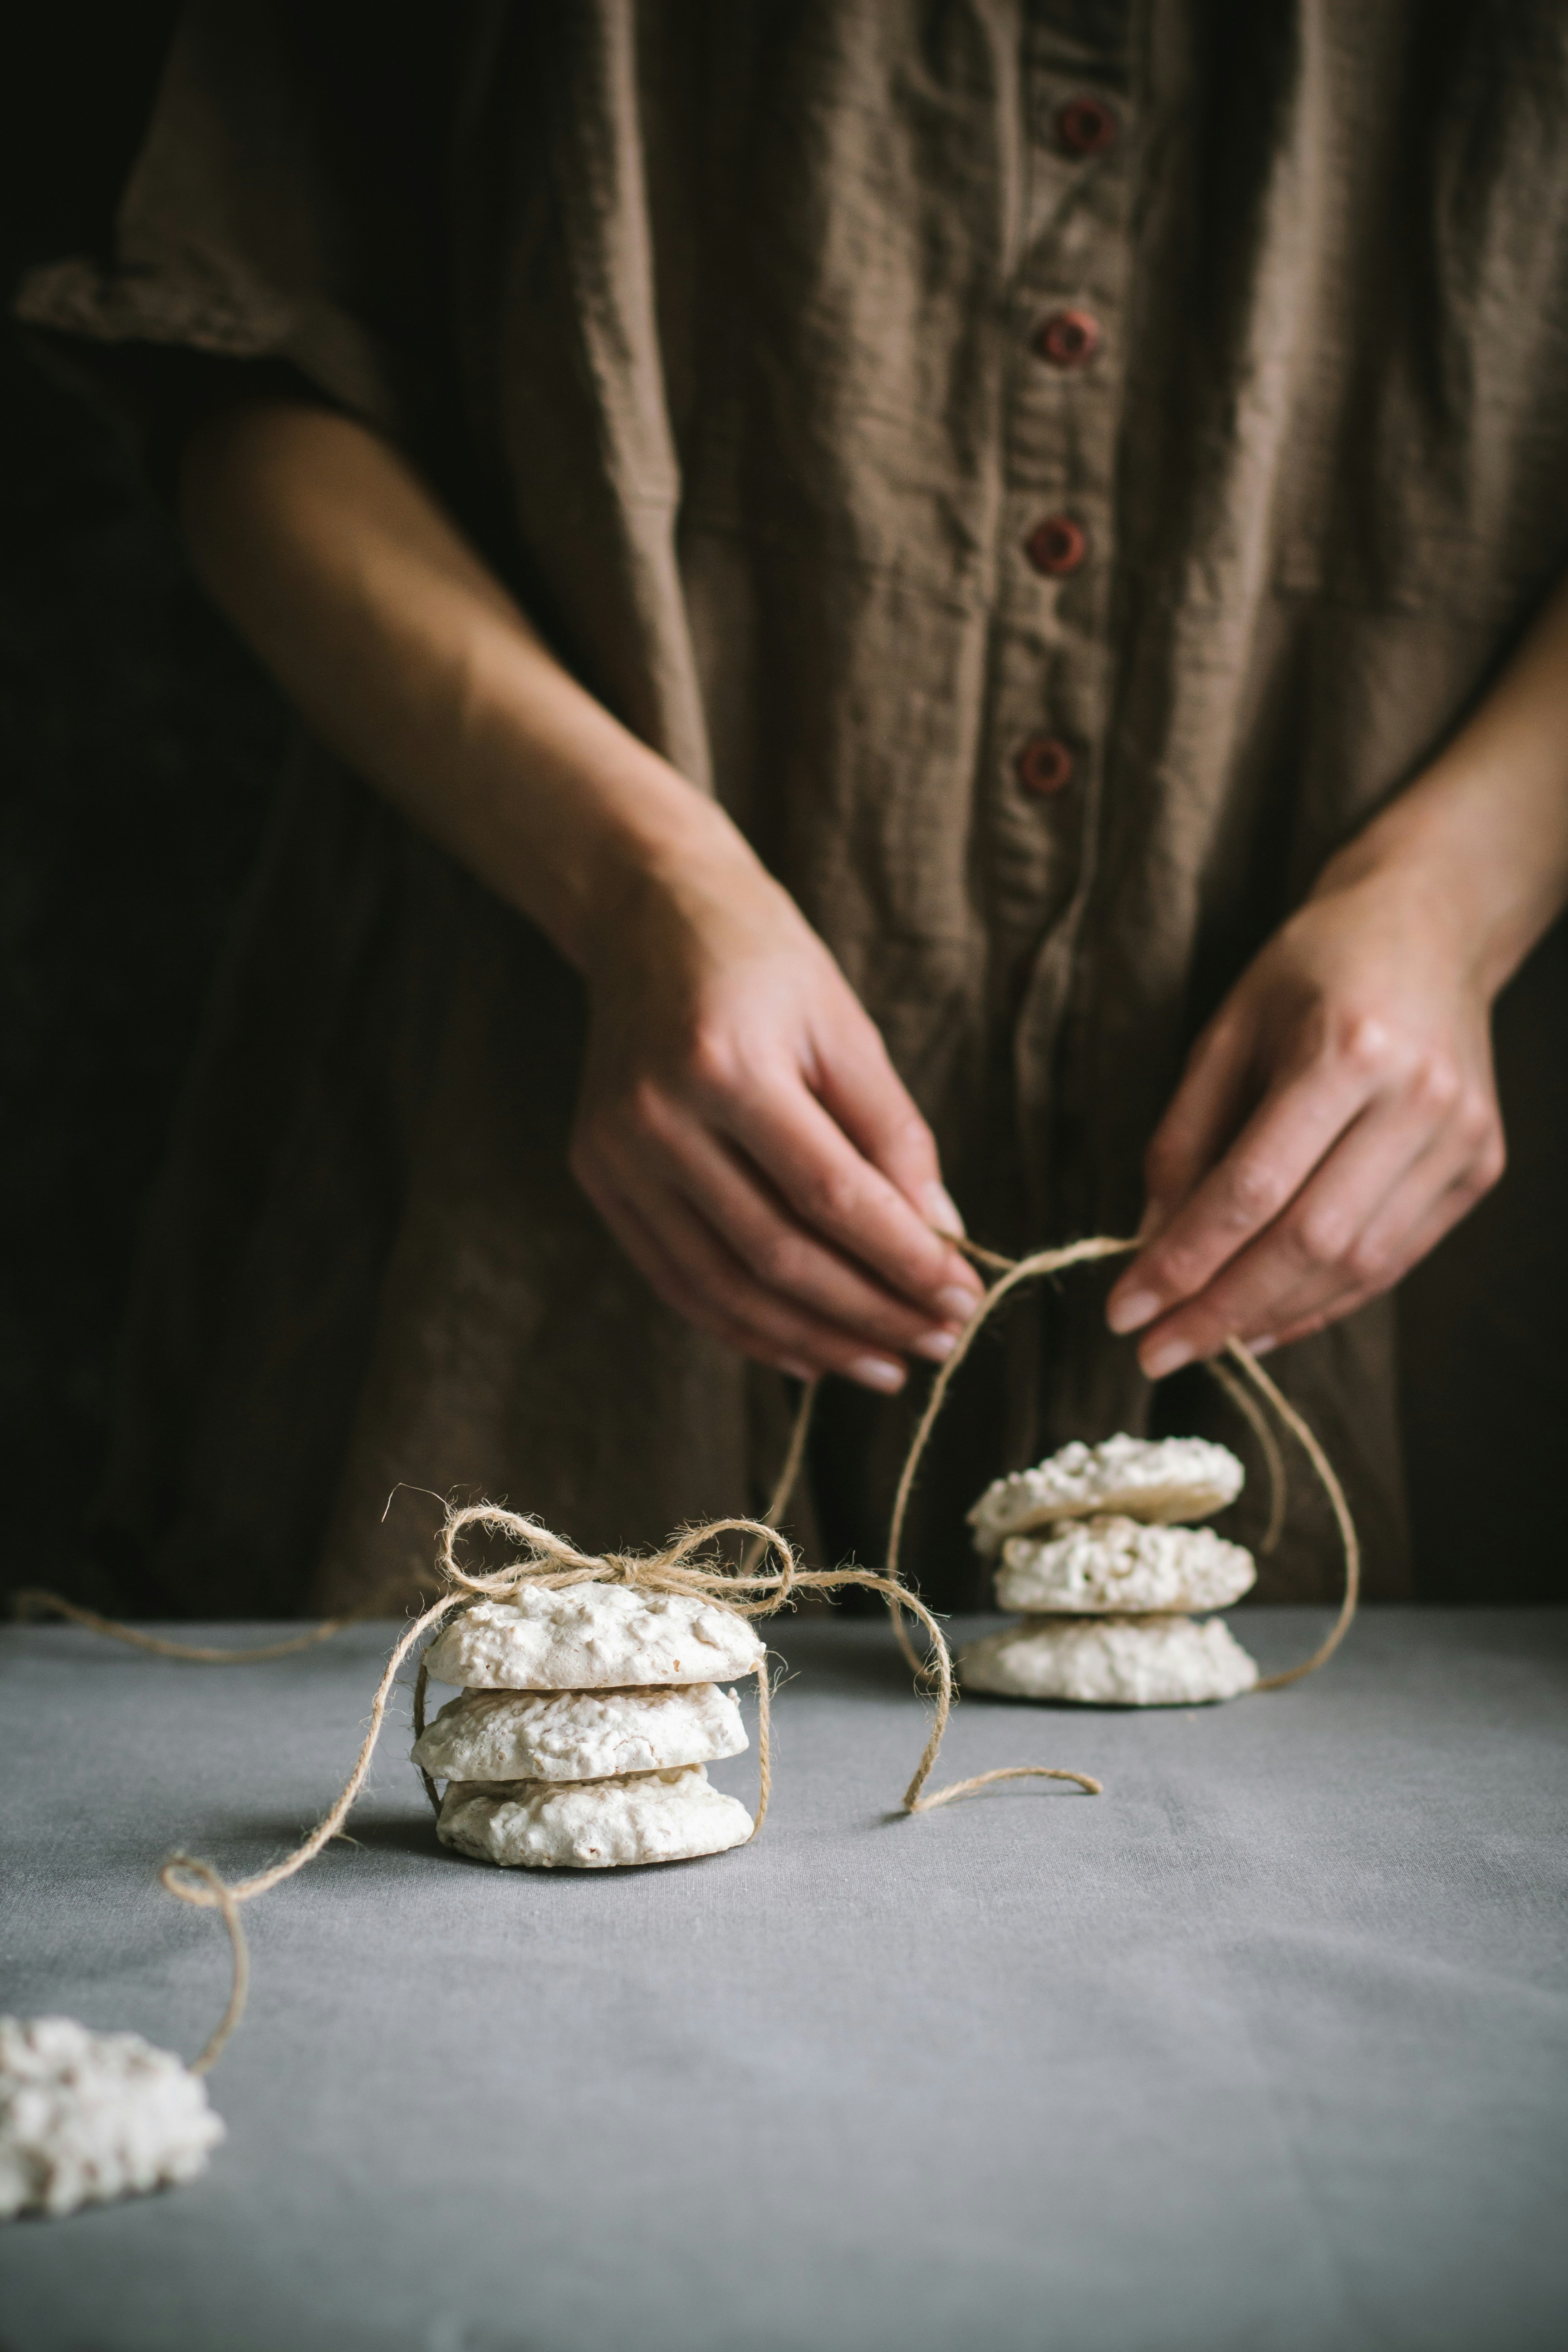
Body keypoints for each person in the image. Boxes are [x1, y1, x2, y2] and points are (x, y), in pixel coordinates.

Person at [20, 2, 1568, 1617]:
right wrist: (632, 878)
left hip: (1419, 1273)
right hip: (533, 1184)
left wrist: (1459, 892)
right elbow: (242, 364)